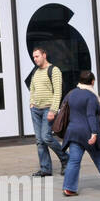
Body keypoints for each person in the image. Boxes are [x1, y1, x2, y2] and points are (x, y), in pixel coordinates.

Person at [60, 71, 100, 196]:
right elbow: (90, 115)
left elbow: (64, 110)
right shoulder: (91, 96)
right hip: (88, 133)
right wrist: (94, 133)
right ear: (92, 82)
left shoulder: (71, 94)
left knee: (73, 161)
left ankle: (69, 188)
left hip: (73, 133)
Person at [27, 47, 68, 177]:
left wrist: (53, 110)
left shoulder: (54, 70)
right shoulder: (35, 72)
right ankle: (45, 169)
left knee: (46, 137)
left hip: (48, 109)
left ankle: (65, 158)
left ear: (44, 55)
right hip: (36, 110)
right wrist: (32, 103)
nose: (35, 59)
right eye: (34, 57)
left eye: (37, 56)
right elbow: (32, 89)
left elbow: (58, 91)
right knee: (39, 140)